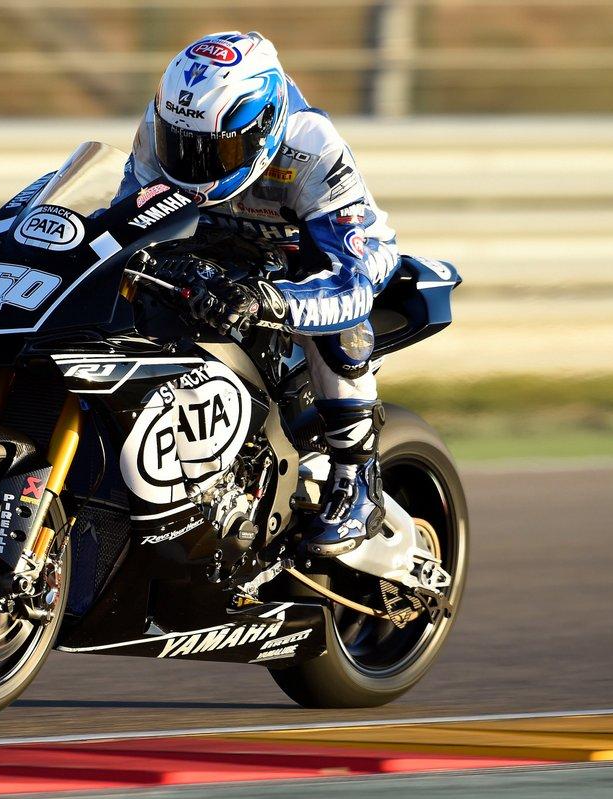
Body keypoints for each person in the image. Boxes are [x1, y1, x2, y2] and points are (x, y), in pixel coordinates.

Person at [120, 31, 399, 556]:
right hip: (225, 246)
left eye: (217, 150)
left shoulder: (310, 145)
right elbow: (131, 221)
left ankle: (357, 478)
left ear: (263, 126)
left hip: (326, 255)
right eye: (181, 145)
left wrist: (271, 301)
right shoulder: (159, 129)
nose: (194, 163)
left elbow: (351, 280)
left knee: (335, 318)